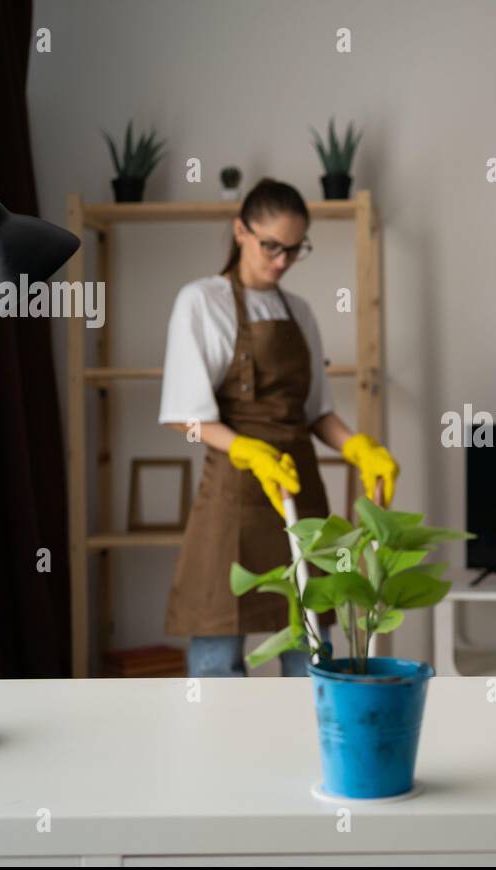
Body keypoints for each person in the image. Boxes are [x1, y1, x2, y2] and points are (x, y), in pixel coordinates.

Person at [159, 179, 399, 678]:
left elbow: (317, 412)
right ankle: (220, 754)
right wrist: (245, 448)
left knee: (313, 647)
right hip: (234, 493)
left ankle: (314, 749)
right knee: (218, 648)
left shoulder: (301, 311)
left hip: (300, 489)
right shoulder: (202, 301)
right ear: (240, 231)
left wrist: (358, 446)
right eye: (272, 246)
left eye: (294, 249)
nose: (282, 260)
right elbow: (188, 415)